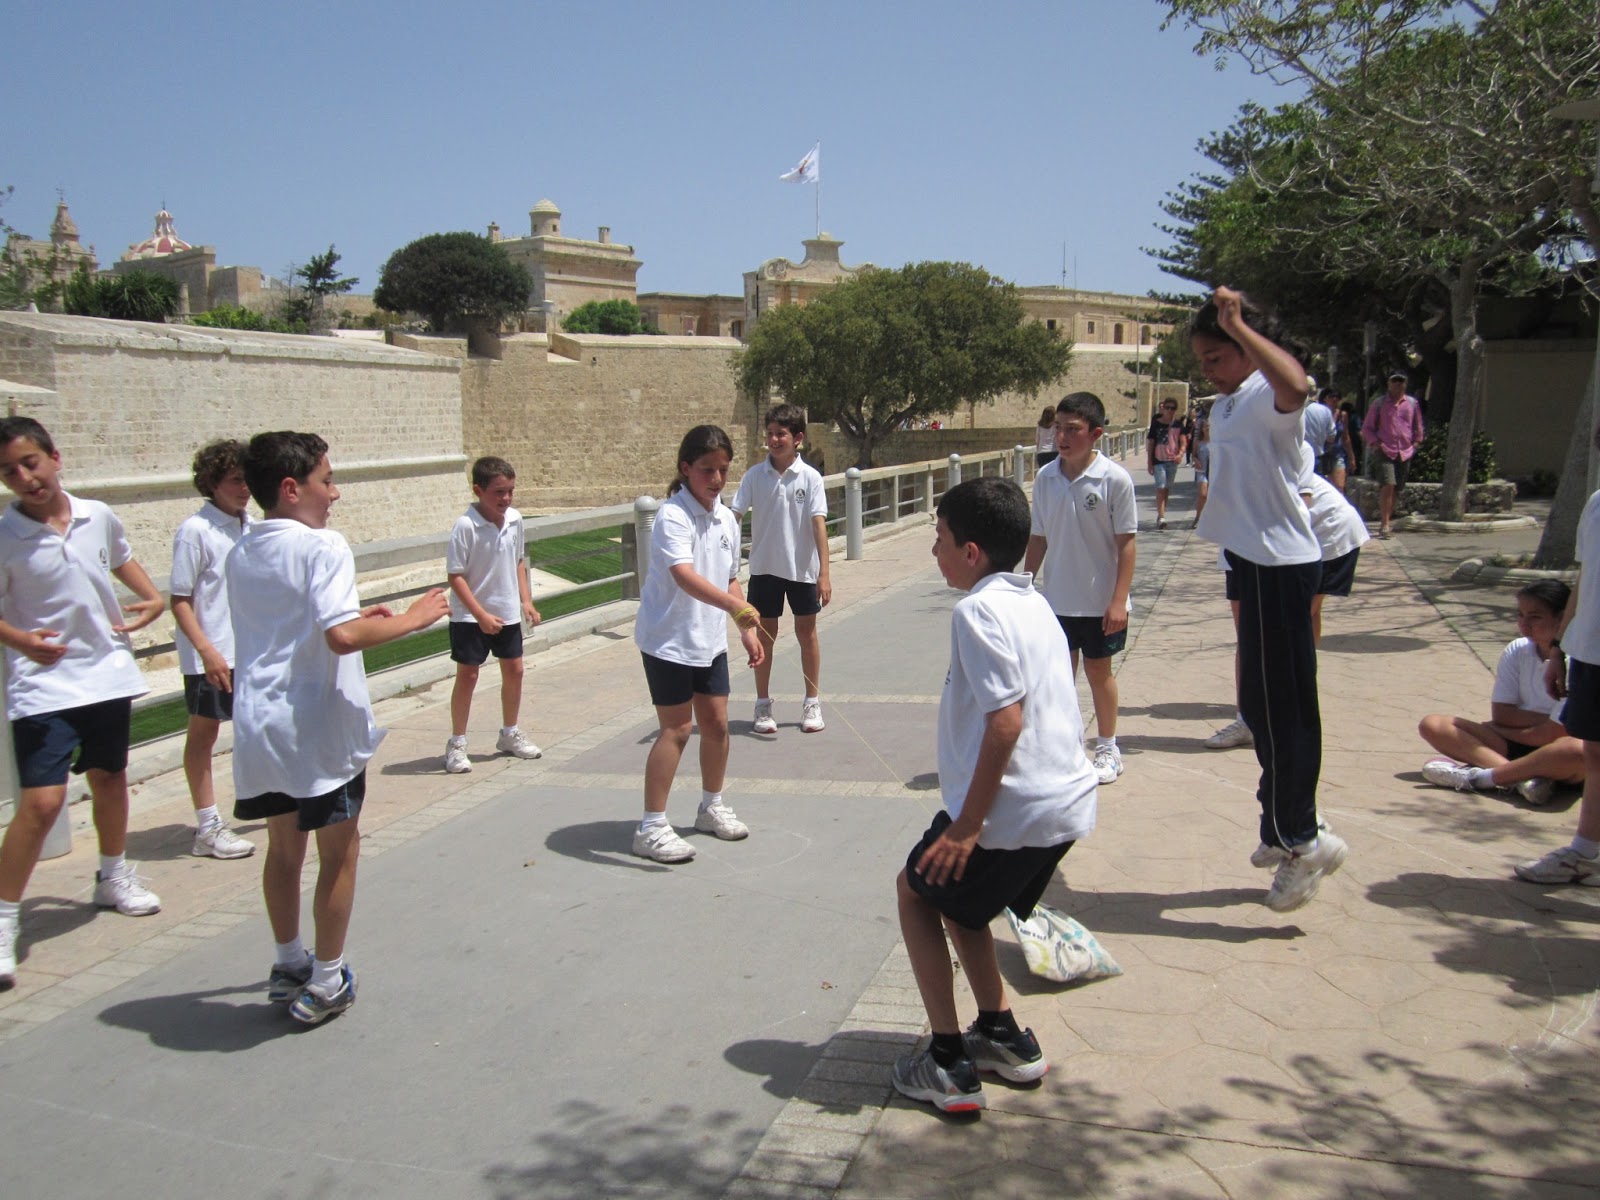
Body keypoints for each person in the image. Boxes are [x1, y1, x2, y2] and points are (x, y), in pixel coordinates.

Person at [228, 431, 449, 1024]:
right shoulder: (323, 546)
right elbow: (340, 637)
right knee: (339, 852)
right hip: (317, 729)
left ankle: (288, 961)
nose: (336, 494)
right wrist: (412, 617)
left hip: (262, 726)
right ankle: (327, 981)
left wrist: (356, 616)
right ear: (291, 488)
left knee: (282, 851)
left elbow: (300, 626)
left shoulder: (241, 550)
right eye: (328, 481)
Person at [892, 476, 1097, 1113]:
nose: (934, 551)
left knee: (914, 892)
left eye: (941, 539)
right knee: (964, 907)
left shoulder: (976, 611)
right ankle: (1004, 1035)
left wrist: (968, 825)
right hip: (1065, 804)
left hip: (1013, 811)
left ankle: (949, 1063)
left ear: (973, 552)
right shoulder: (1034, 601)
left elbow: (1005, 720)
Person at [1193, 287, 1348, 912]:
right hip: (1252, 563)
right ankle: (1280, 825)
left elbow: (1298, 384)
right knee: (1259, 704)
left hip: (1282, 568)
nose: (1207, 371)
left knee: (1287, 711)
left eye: (1215, 358)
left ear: (1246, 348)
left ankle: (1303, 841)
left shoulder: (1266, 393)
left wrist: (1239, 324)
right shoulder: (1230, 404)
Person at [0, 416, 166, 989]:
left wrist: (151, 599)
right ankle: (4, 918)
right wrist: (21, 640)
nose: (23, 477)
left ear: (55, 458)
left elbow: (120, 556)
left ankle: (113, 877)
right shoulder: (5, 537)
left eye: (30, 463)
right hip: (43, 684)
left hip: (105, 675)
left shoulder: (97, 514)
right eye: (9, 471)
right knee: (42, 804)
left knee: (110, 780)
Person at [632, 425, 764, 864]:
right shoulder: (673, 515)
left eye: (724, 470)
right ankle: (651, 826)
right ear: (686, 468)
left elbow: (728, 576)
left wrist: (743, 626)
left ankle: (711, 806)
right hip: (668, 640)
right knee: (676, 729)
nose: (716, 479)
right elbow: (684, 575)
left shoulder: (725, 516)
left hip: (708, 640)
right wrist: (733, 605)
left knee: (718, 725)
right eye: (707, 469)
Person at [1023, 393, 1137, 785]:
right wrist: (1025, 581)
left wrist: (1118, 600)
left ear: (1096, 434)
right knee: (1059, 676)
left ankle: (1107, 748)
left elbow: (1127, 543)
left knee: (1098, 671)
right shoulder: (1045, 478)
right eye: (1058, 429)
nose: (1062, 437)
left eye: (1072, 430)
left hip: (1101, 600)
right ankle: (1066, 745)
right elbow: (1038, 536)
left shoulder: (1114, 479)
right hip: (1058, 599)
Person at [169, 439, 257, 860]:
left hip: (250, 649)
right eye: (235, 481)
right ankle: (207, 826)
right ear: (212, 483)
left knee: (258, 725)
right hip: (213, 652)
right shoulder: (195, 531)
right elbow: (180, 599)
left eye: (247, 480)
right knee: (204, 734)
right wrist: (206, 652)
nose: (244, 489)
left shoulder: (251, 525)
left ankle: (268, 800)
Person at [1419, 580, 1582, 807]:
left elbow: (1553, 735)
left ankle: (1480, 778)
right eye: (1520, 615)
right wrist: (1524, 725)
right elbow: (1503, 714)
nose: (1524, 625)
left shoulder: (1577, 661)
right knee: (1434, 725)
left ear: (1562, 618)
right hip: (1512, 744)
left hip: (1557, 756)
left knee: (1574, 749)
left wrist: (1501, 728)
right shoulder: (1517, 649)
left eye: (1535, 617)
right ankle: (1521, 780)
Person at [729, 405, 830, 736]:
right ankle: (762, 705)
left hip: (802, 570)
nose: (774, 439)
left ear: (797, 438)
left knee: (807, 634)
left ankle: (811, 702)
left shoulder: (811, 478)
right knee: (765, 638)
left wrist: (824, 573)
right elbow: (735, 515)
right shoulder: (754, 476)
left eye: (781, 433)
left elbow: (818, 525)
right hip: (764, 570)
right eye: (770, 433)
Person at [442, 456, 543, 774]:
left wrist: (525, 601)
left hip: (507, 612)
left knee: (515, 671)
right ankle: (457, 743)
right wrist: (480, 614)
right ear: (478, 490)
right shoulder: (465, 525)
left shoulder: (515, 520)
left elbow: (517, 561)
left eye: (511, 491)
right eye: (499, 492)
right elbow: (455, 575)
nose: (506, 499)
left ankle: (509, 733)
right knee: (468, 676)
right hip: (471, 617)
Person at [1360, 372, 1426, 539]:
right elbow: (1367, 428)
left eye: (1401, 381)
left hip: (1405, 451)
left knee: (1397, 487)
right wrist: (1375, 443)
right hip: (1385, 450)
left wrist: (1416, 443)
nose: (1398, 384)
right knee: (1387, 484)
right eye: (1394, 381)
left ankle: (1388, 517)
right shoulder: (1379, 403)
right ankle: (1385, 524)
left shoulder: (1412, 403)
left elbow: (1418, 425)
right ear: (1389, 384)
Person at [1145, 397, 1187, 531]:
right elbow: (1151, 443)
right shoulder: (1156, 423)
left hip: (1172, 460)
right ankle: (1162, 517)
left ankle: (1161, 515)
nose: (1169, 410)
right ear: (1163, 408)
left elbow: (1183, 441)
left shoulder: (1178, 425)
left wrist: (1180, 454)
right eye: (1167, 407)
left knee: (1167, 489)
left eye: (1172, 408)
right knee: (1161, 487)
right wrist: (1149, 461)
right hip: (1159, 460)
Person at [1326, 397, 1357, 493]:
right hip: (1322, 454)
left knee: (1340, 486)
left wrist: (1351, 457)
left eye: (1337, 396)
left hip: (1337, 454)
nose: (1334, 399)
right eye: (1331, 396)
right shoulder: (1321, 414)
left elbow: (1345, 437)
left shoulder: (1343, 416)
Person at [1303, 386, 1335, 470]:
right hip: (1317, 457)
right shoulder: (1325, 410)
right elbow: (1332, 437)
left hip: (1295, 459)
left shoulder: (1291, 409)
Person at [1192, 399, 1213, 527]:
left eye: (1209, 427)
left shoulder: (1216, 442)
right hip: (1201, 470)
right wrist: (1196, 460)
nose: (1207, 429)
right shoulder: (1198, 442)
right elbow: (1193, 455)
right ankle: (1198, 517)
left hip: (1213, 470)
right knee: (1203, 494)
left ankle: (1209, 520)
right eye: (1206, 427)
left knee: (1212, 496)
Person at [1033, 406, 1057, 472]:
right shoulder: (1055, 425)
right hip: (1053, 451)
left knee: (1043, 473)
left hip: (1041, 452)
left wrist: (1038, 451)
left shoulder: (1040, 425)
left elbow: (1037, 440)